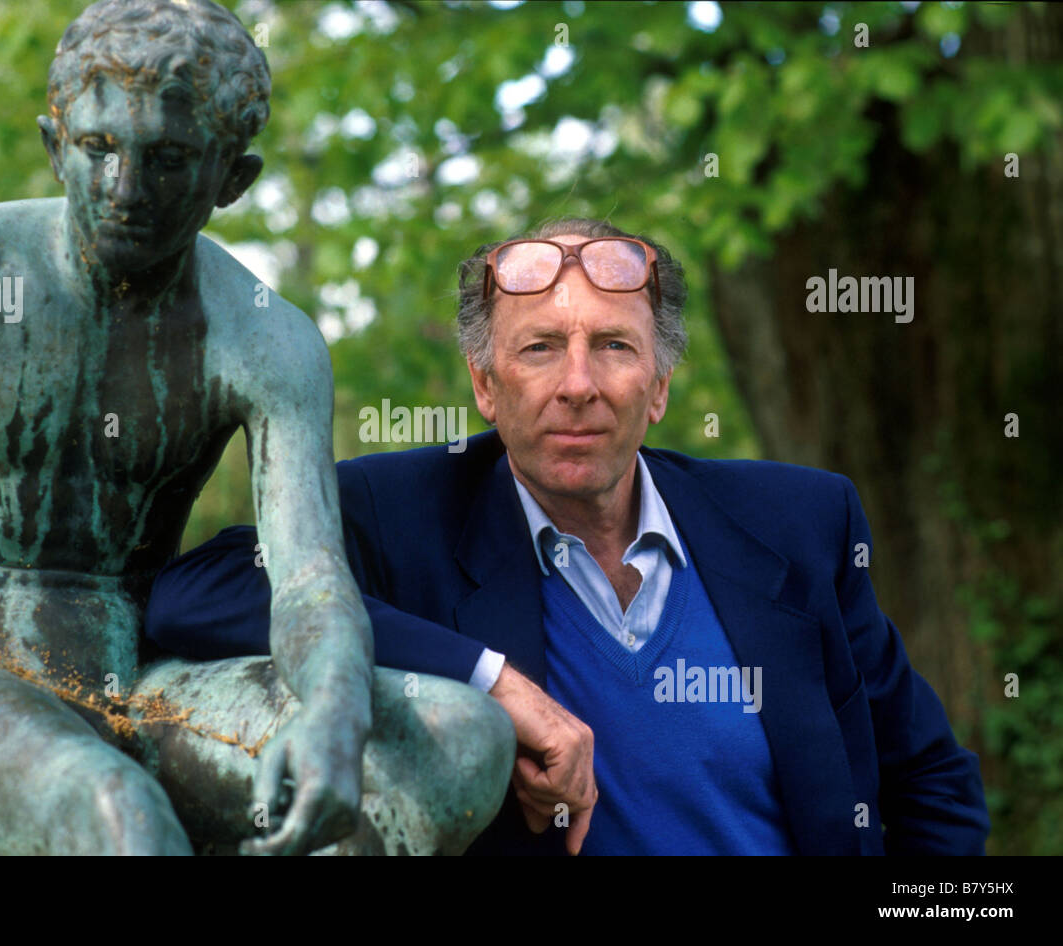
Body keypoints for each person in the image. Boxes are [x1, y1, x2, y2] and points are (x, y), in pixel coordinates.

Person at [0, 0, 514, 856]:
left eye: (168, 160)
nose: (125, 190)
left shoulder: (266, 337)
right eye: (97, 149)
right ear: (55, 144)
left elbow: (306, 579)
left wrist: (333, 715)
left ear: (232, 177)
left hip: (142, 685)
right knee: (125, 820)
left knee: (463, 739)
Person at [147, 216, 992, 855]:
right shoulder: (397, 512)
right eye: (541, 348)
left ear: (658, 388)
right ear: (485, 384)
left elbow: (930, 784)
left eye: (615, 346)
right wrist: (493, 681)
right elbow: (195, 591)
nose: (578, 385)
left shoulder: (800, 523)